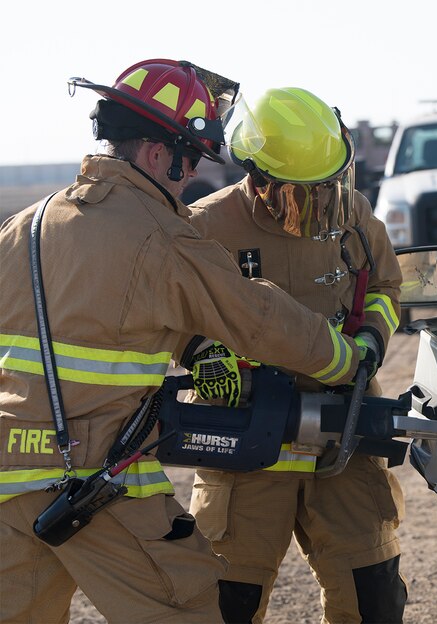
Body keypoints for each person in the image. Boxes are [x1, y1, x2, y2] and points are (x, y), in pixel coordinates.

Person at [0, 61, 362, 624]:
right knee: (188, 607)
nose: (191, 174)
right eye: (189, 157)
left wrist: (196, 350)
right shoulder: (161, 236)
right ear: (154, 153)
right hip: (101, 485)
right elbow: (256, 316)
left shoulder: (22, 227)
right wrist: (345, 358)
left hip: (7, 485)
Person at [186, 87, 407, 624]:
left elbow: (384, 285)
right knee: (227, 605)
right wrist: (201, 355)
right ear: (259, 180)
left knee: (372, 598)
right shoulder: (204, 227)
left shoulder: (351, 212)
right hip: (246, 442)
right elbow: (168, 311)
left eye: (327, 189)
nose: (321, 206)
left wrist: (372, 342)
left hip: (344, 431)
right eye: (301, 194)